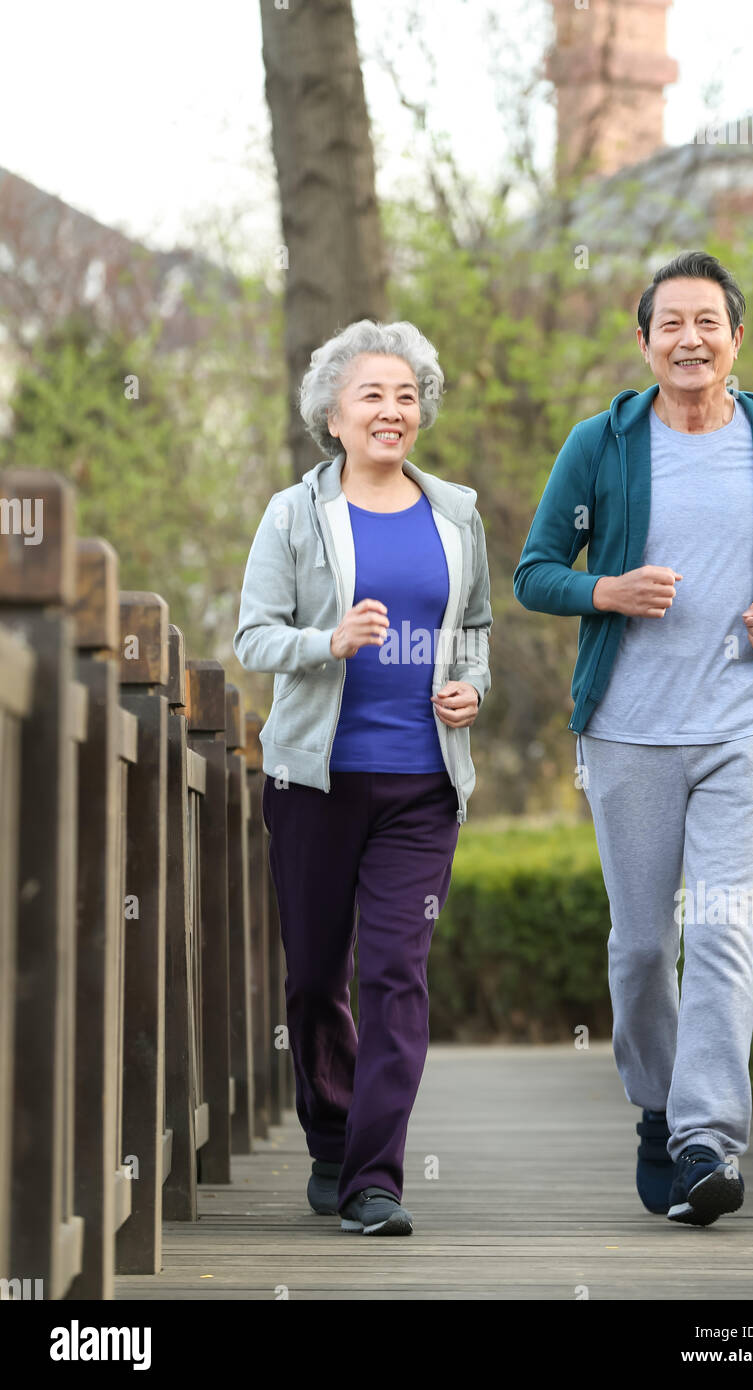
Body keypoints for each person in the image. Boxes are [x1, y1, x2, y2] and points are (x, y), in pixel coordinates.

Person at [514, 250, 753, 1226]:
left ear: (735, 338)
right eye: (671, 324)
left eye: (708, 323)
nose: (690, 339)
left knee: (717, 926)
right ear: (644, 341)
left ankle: (708, 1137)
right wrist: (604, 591)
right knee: (638, 943)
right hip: (625, 733)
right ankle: (657, 1111)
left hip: (743, 725)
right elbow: (536, 570)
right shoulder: (599, 444)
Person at [233, 319, 491, 1235]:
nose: (392, 410)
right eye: (372, 396)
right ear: (333, 417)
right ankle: (333, 1134)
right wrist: (327, 641)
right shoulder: (294, 514)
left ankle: (376, 1178)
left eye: (406, 395)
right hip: (315, 780)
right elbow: (252, 636)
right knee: (313, 979)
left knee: (394, 971)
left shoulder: (455, 512)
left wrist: (468, 689)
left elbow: (475, 637)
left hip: (423, 785)